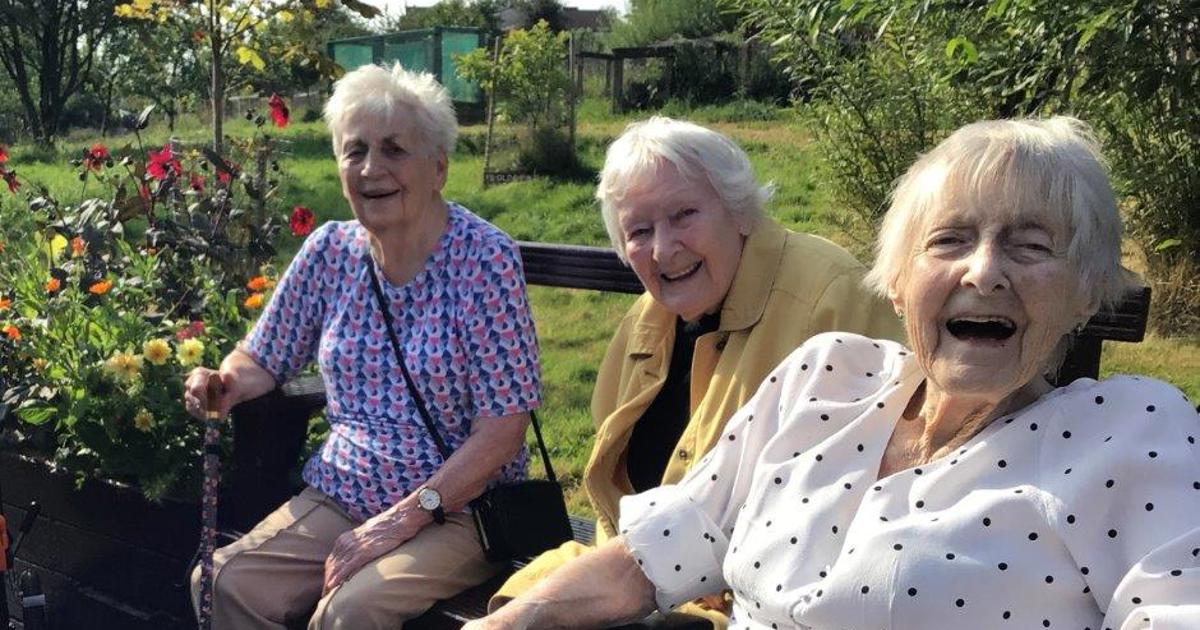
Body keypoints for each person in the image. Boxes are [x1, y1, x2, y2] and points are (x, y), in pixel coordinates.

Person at [468, 117, 1200, 630]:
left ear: (1087, 289)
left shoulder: (1130, 436)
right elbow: (649, 557)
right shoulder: (826, 379)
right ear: (900, 277)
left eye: (1030, 245)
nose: (984, 270)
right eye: (948, 240)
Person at [489, 117, 902, 626]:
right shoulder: (651, 315)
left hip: (755, 603)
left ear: (741, 211)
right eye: (639, 231)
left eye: (683, 215)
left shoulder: (832, 300)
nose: (663, 249)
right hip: (636, 576)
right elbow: (612, 487)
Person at [182, 63, 542, 629]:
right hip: (345, 490)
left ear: (439, 168)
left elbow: (503, 429)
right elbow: (262, 357)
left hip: (457, 507)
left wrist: (401, 520)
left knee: (349, 614)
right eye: (355, 151)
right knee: (224, 581)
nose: (372, 169)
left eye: (395, 149)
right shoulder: (330, 252)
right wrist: (224, 383)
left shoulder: (485, 261)